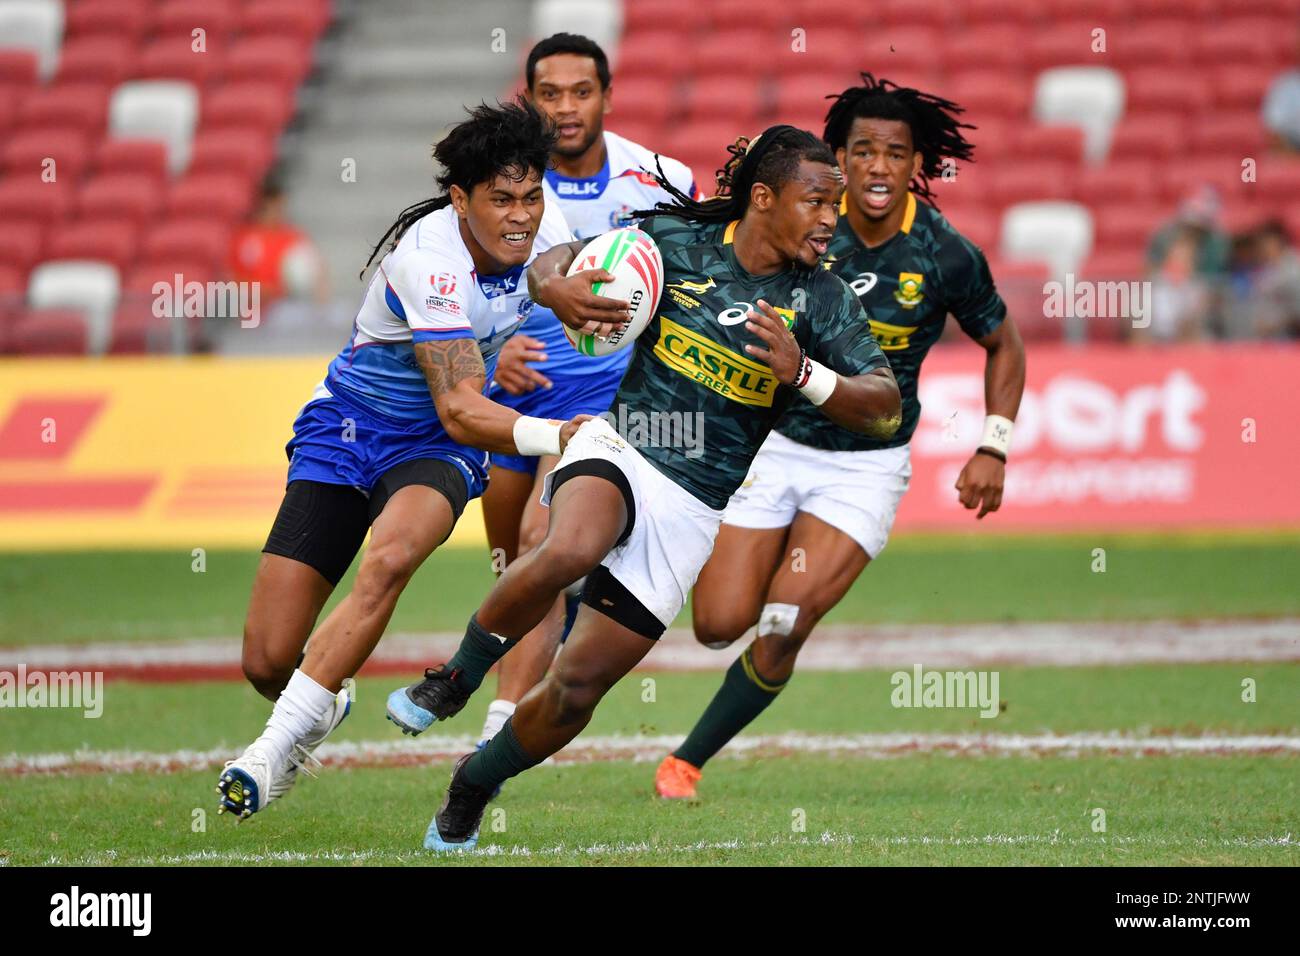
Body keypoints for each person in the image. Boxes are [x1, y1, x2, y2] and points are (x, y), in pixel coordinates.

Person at [386, 125, 903, 850]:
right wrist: (554, 287)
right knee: (569, 546)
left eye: (835, 205)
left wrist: (804, 375)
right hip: (624, 446)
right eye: (816, 202)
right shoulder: (672, 243)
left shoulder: (822, 302)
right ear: (763, 198)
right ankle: (456, 677)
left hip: (693, 506)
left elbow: (884, 403)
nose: (830, 220)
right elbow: (556, 260)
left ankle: (475, 779)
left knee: (575, 692)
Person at [215, 99, 624, 820]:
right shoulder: (426, 261)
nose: (522, 216)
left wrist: (557, 286)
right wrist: (556, 435)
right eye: (501, 199)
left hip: (439, 448)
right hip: (350, 426)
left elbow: (543, 266)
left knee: (393, 554)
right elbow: (462, 403)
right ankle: (322, 696)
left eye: (531, 196)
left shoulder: (544, 221)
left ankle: (267, 752)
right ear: (460, 199)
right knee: (267, 659)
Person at [654, 74, 1026, 799]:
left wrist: (994, 444)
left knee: (784, 622)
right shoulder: (805, 229)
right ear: (839, 159)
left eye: (896, 152)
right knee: (718, 624)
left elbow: (1005, 345)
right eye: (863, 151)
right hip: (775, 447)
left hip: (864, 466)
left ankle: (686, 760)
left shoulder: (945, 254)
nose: (879, 167)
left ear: (917, 163)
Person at [474, 33, 700, 753]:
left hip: (610, 400)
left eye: (581, 92)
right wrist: (491, 349)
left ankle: (498, 727)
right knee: (514, 560)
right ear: (529, 98)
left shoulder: (663, 179)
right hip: (515, 397)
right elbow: (459, 286)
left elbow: (696, 288)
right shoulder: (501, 182)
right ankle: (549, 644)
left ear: (607, 95)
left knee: (542, 541)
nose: (566, 109)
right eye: (550, 94)